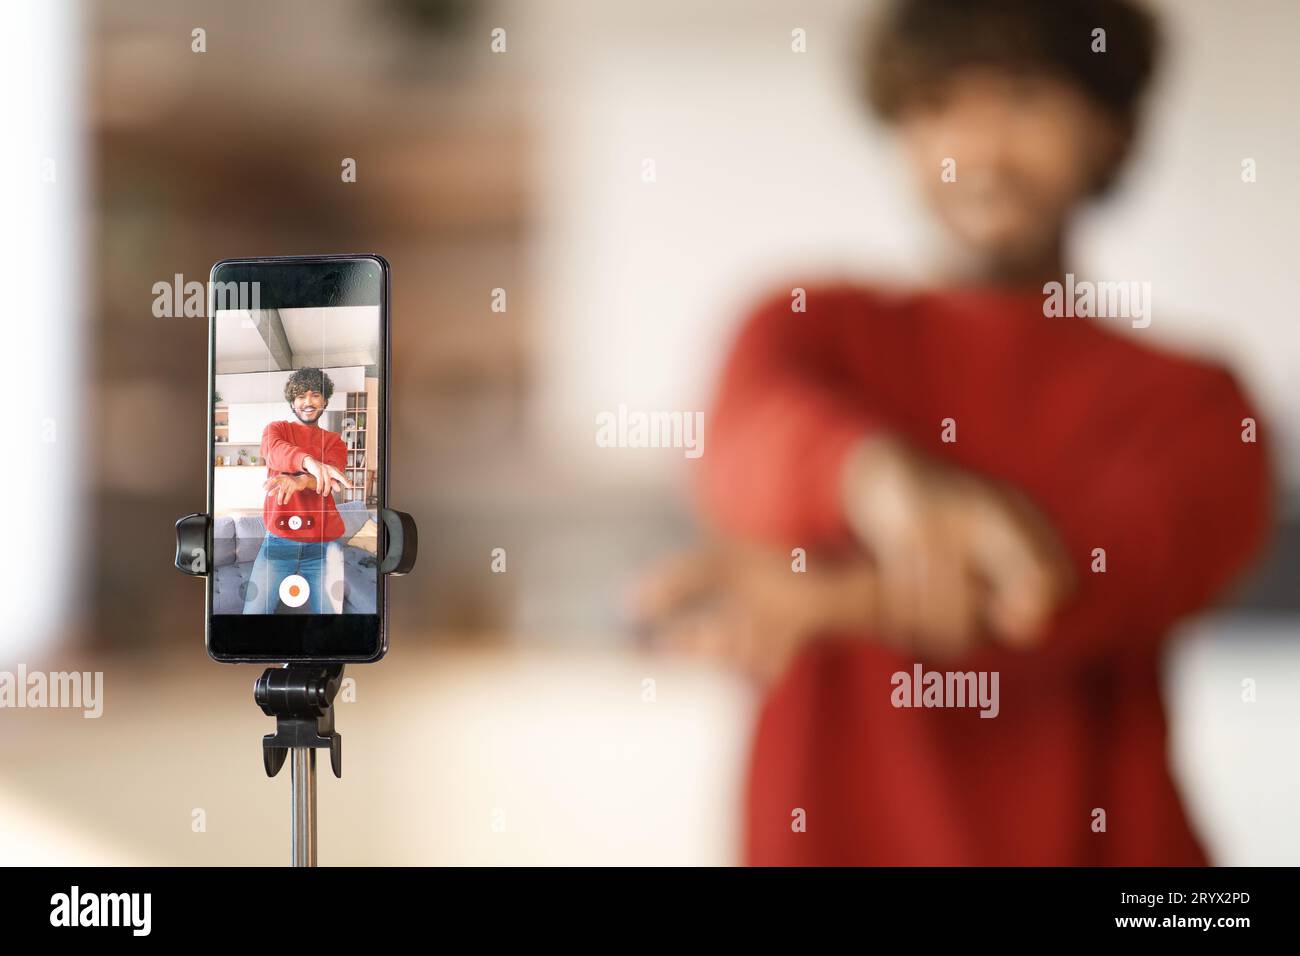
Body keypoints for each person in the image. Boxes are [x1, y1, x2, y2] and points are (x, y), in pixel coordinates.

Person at [634, 0, 1273, 865]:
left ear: (1112, 129)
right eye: (938, 106)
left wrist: (816, 597)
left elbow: (1061, 588)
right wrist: (883, 484)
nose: (979, 149)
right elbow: (742, 450)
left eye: (1023, 99)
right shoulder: (803, 327)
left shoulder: (1198, 402)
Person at [243, 367, 352, 614]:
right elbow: (275, 451)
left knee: (331, 624)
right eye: (301, 396)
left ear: (325, 400)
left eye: (315, 395)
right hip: (279, 542)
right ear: (293, 403)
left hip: (325, 544)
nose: (308, 402)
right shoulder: (277, 429)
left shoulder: (334, 441)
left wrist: (303, 481)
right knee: (252, 616)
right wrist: (308, 462)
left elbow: (331, 477)